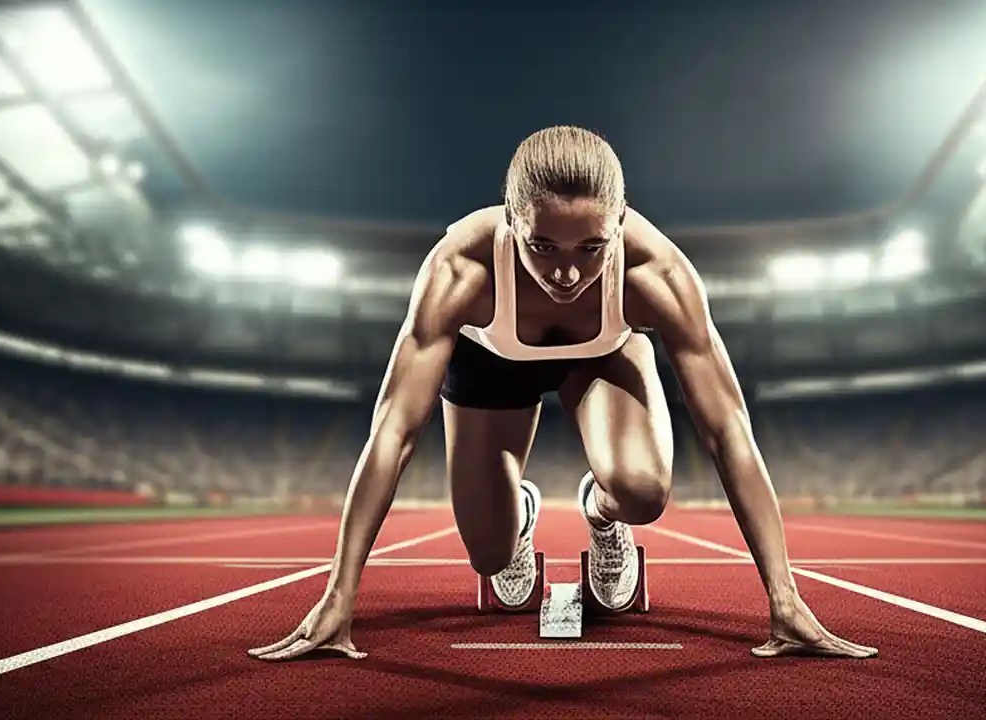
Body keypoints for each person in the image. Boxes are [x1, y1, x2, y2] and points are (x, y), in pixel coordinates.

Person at [249, 126, 877, 661]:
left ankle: (602, 518)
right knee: (490, 556)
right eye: (542, 246)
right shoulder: (459, 270)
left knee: (643, 490)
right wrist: (339, 595)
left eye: (593, 247)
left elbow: (727, 430)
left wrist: (784, 596)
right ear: (510, 219)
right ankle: (517, 517)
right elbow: (393, 430)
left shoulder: (653, 274)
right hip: (489, 363)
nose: (569, 273)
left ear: (622, 224)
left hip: (602, 355)